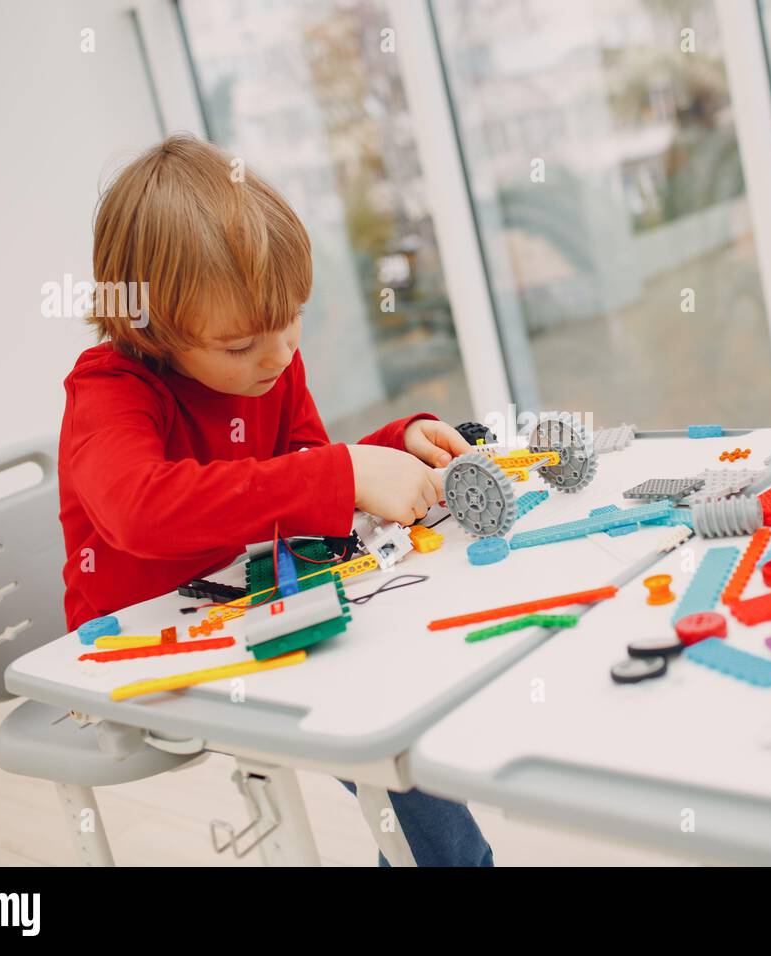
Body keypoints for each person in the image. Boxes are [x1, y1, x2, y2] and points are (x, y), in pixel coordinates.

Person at [58, 134, 492, 866]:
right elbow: (141, 510)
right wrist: (342, 474)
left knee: (396, 698)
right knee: (375, 714)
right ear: (149, 328)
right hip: (142, 646)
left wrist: (390, 449)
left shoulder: (269, 362)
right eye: (238, 345)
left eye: (292, 316)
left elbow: (303, 474)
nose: (280, 353)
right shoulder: (109, 390)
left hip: (253, 596)